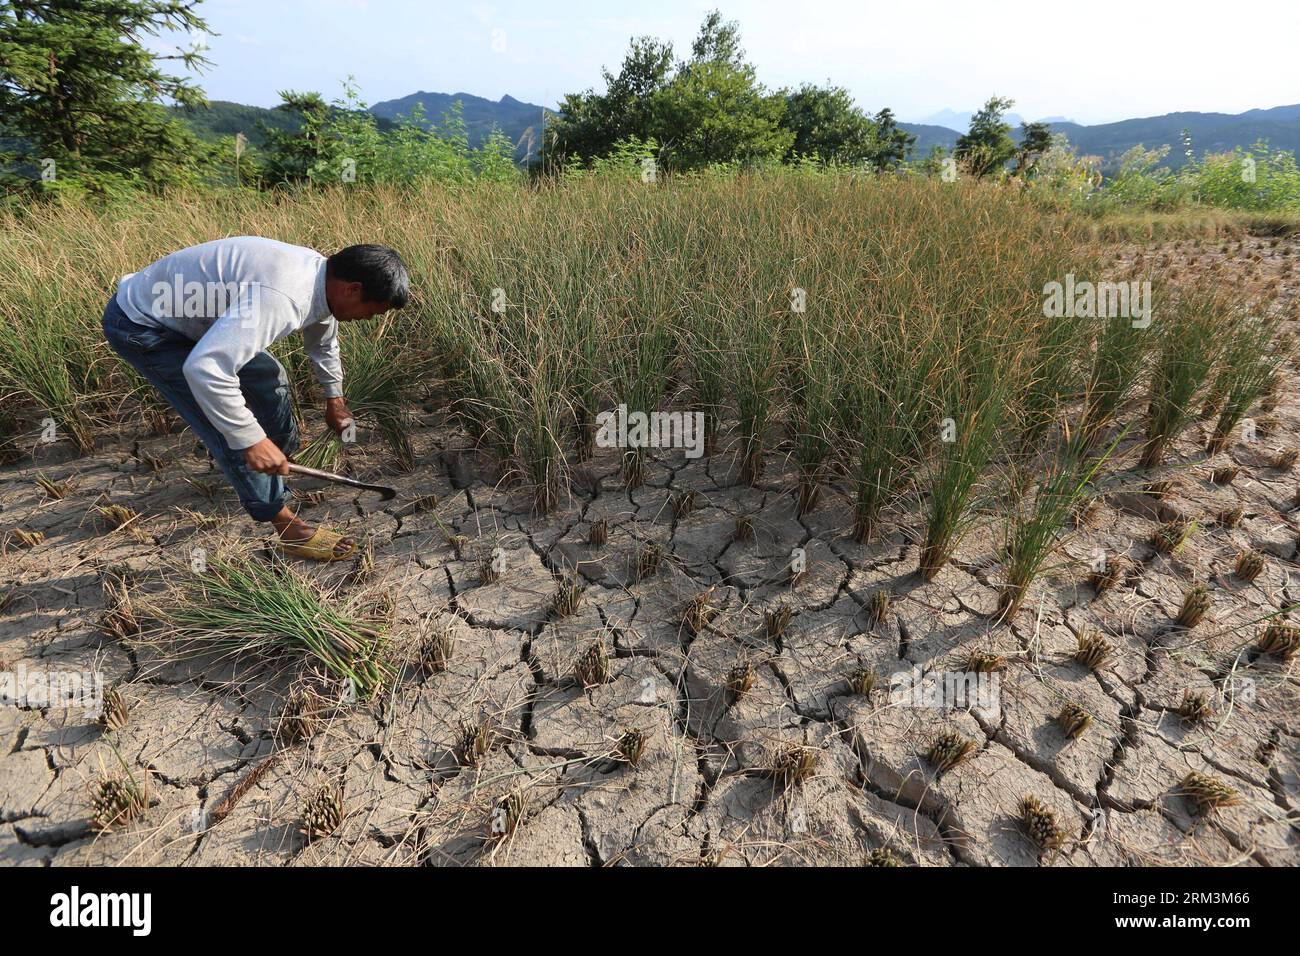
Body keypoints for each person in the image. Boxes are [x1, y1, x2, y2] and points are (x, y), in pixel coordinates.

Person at [102, 237, 409, 560]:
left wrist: (335, 399)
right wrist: (250, 440)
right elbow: (206, 368)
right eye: (372, 311)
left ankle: (274, 465)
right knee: (227, 428)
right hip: (142, 325)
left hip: (187, 320)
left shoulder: (322, 277)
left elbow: (322, 343)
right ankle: (285, 525)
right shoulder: (284, 297)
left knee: (269, 377)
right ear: (353, 289)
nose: (369, 319)